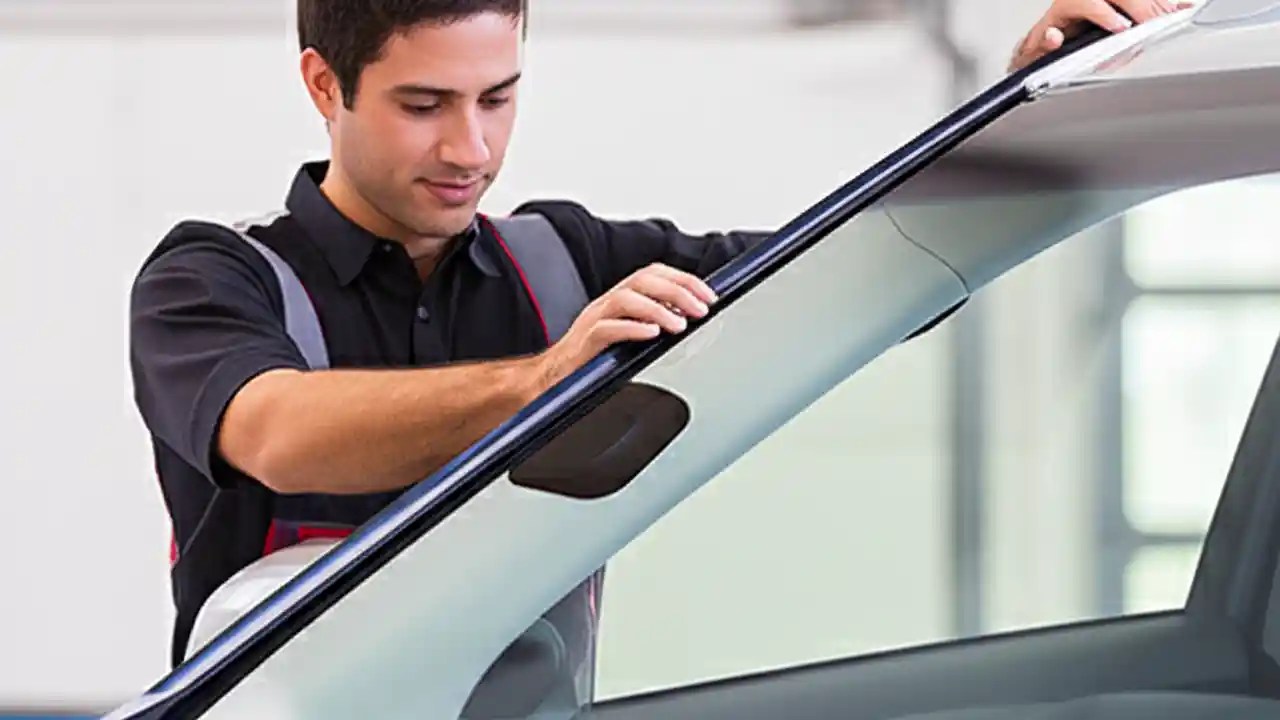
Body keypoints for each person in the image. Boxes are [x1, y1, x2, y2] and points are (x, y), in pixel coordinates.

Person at [129, 0, 1188, 667]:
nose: (471, 145)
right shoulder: (211, 279)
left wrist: (1023, 105)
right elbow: (274, 431)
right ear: (324, 84)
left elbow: (869, 265)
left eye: (498, 96)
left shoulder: (570, 260)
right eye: (422, 104)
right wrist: (544, 384)